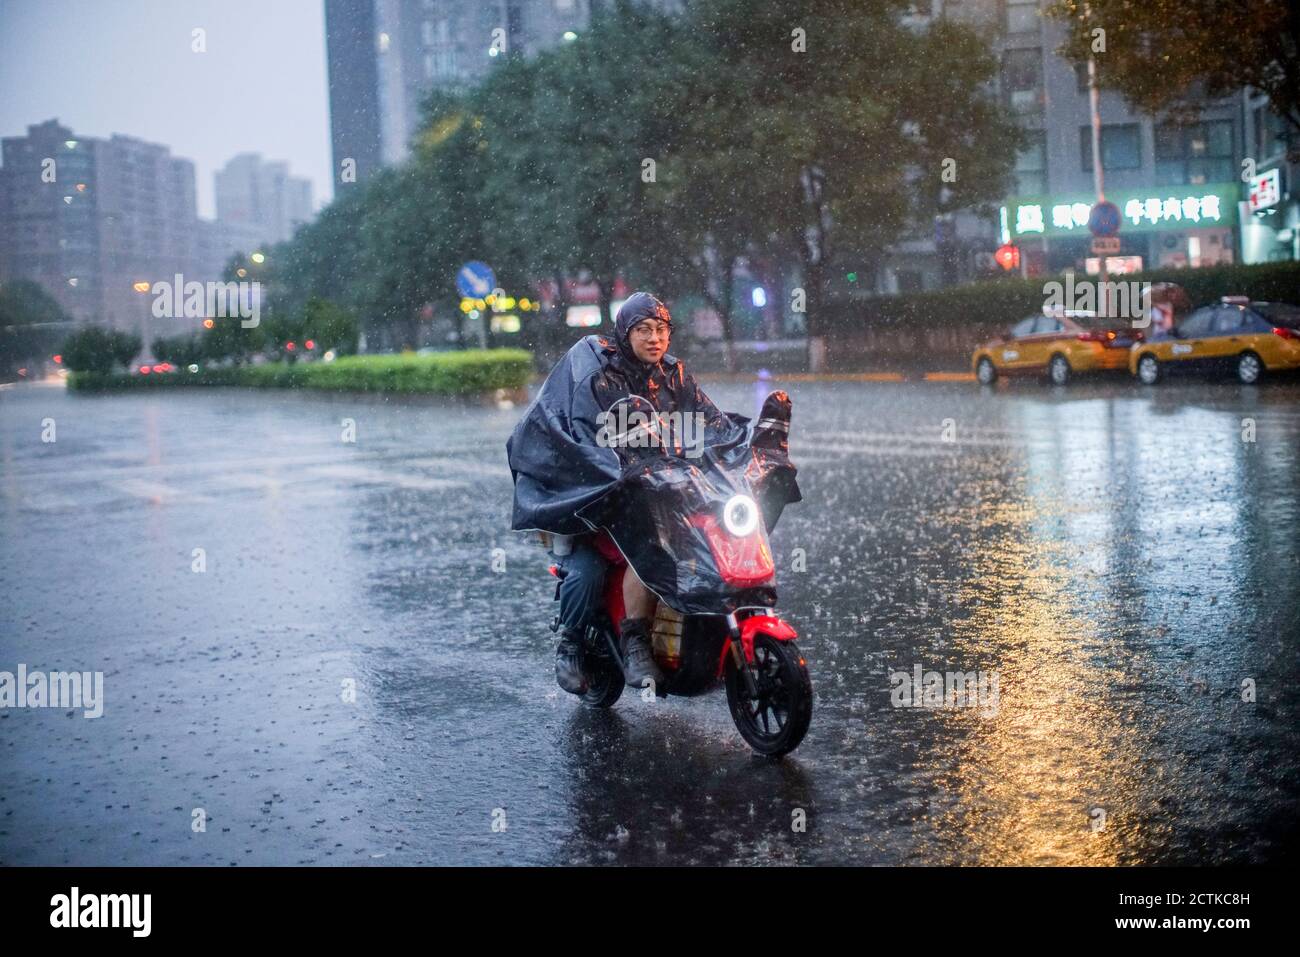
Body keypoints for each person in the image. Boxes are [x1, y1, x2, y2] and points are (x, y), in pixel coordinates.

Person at [507, 291, 729, 695]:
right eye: (643, 329)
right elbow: (587, 434)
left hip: (661, 492)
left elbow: (707, 422)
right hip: (600, 494)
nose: (654, 339)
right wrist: (618, 464)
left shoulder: (675, 374)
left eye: (661, 329)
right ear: (625, 334)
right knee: (592, 569)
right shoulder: (601, 374)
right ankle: (579, 645)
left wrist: (739, 443)